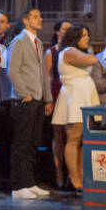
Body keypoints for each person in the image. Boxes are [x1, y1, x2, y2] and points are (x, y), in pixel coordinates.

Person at [53, 25, 106, 193]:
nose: (88, 38)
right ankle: (73, 178)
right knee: (73, 138)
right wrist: (90, 50)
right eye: (84, 35)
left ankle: (80, 176)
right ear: (76, 37)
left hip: (85, 96)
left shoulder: (79, 51)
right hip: (74, 97)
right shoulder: (69, 51)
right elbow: (93, 60)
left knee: (83, 140)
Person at [6, 8, 52, 200]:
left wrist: (47, 98)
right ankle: (18, 186)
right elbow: (12, 71)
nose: (40, 19)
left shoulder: (38, 43)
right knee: (21, 144)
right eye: (35, 17)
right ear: (26, 21)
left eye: (40, 16)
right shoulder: (18, 41)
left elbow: (42, 73)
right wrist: (25, 95)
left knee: (33, 143)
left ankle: (29, 182)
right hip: (25, 101)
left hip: (37, 101)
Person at [42, 20, 72, 191]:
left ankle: (72, 175)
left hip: (72, 96)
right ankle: (59, 174)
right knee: (59, 138)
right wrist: (49, 100)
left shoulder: (76, 51)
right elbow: (48, 78)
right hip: (57, 94)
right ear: (57, 32)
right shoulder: (51, 52)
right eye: (64, 29)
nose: (67, 32)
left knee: (73, 137)